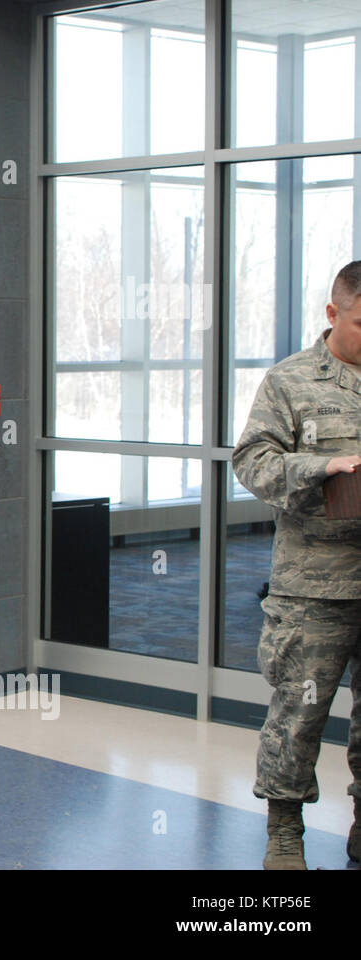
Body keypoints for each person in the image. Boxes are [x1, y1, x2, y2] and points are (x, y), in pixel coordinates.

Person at [232, 259, 361, 870]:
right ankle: (285, 831)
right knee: (299, 713)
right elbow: (252, 463)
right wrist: (322, 468)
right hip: (316, 587)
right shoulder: (292, 381)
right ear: (333, 314)